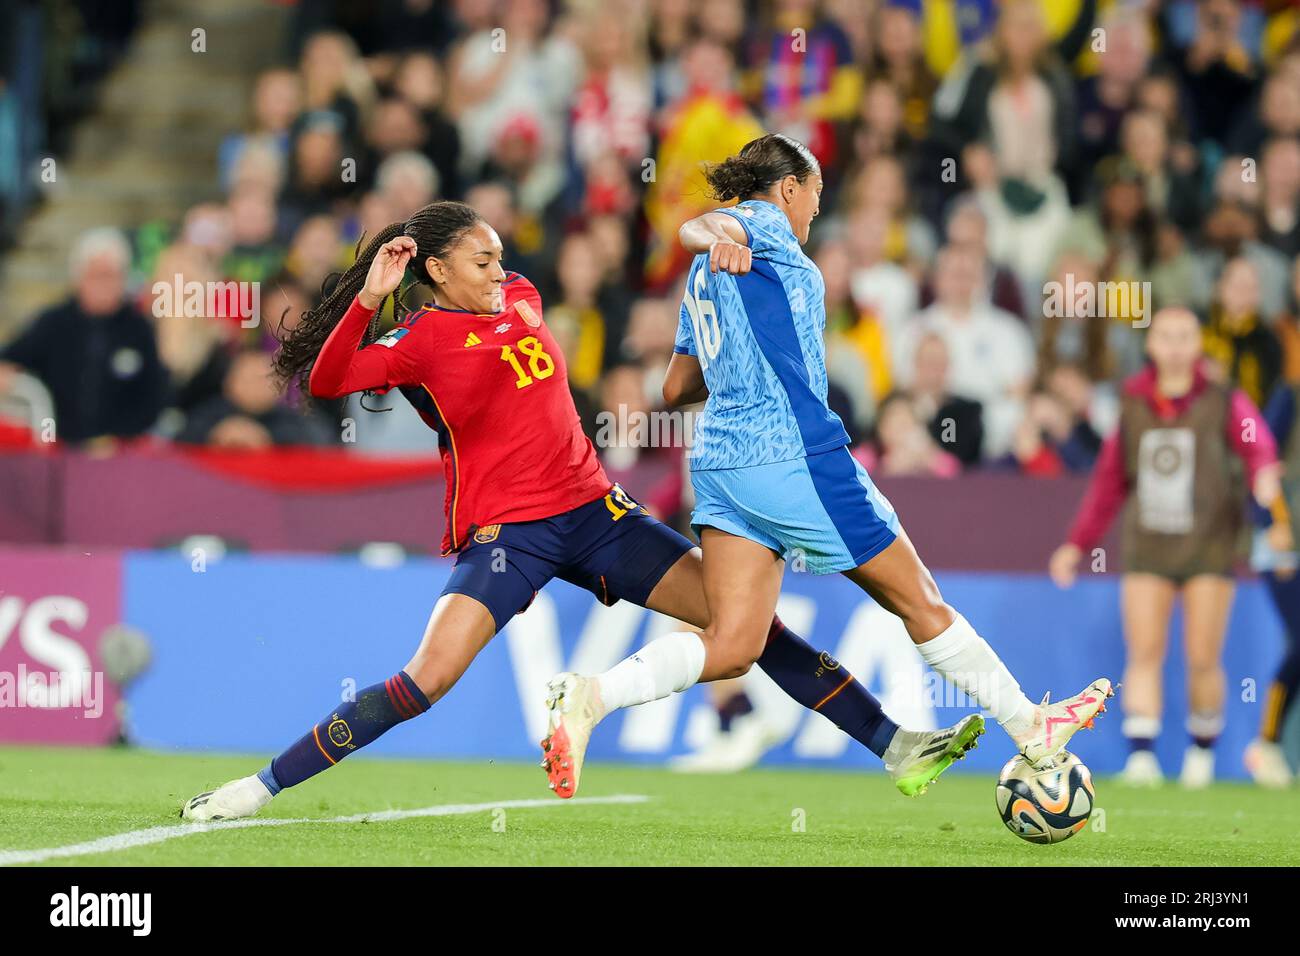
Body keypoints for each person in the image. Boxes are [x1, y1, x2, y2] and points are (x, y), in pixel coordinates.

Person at [179, 201, 982, 822]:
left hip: (600, 515)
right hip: (509, 536)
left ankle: (896, 745)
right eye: (482, 261)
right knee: (426, 680)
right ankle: (257, 788)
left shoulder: (523, 297)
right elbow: (326, 381)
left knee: (742, 628)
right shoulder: (418, 341)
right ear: (438, 269)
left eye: (501, 256)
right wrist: (371, 299)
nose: (501, 271)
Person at [546, 135, 1112, 799]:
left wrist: (728, 317)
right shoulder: (761, 227)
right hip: (794, 456)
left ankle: (592, 696)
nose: (817, 209)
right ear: (788, 188)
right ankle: (1032, 726)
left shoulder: (702, 278)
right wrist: (715, 236)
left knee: (734, 643)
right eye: (815, 193)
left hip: (722, 467)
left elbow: (674, 388)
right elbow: (700, 227)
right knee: (919, 599)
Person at [1049, 307, 1282, 788]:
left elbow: (1258, 446)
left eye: (1185, 336)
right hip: (1148, 545)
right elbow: (1109, 482)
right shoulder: (1132, 403)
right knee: (1144, 650)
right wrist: (1077, 544)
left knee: (1203, 656)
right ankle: (1142, 758)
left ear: (1198, 345)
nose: (1175, 346)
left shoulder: (1225, 400)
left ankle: (1201, 756)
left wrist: (1264, 477)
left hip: (1210, 545)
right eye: (1166, 336)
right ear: (1152, 345)